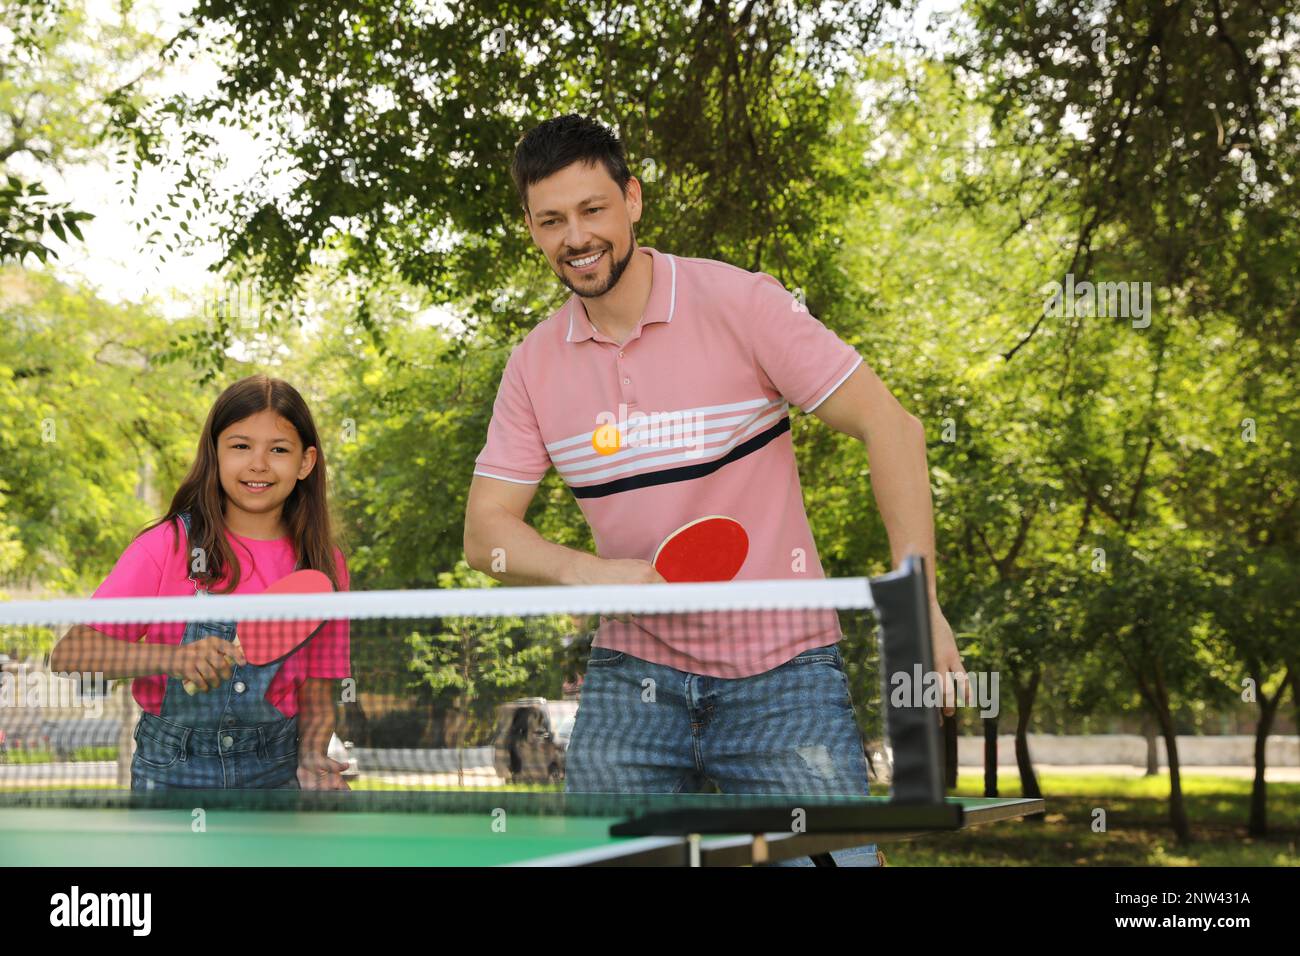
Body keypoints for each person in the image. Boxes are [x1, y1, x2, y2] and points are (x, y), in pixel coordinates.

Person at [464, 115, 965, 865]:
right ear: (532, 230)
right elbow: (486, 533)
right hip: (633, 676)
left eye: (593, 209)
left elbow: (893, 428)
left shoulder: (743, 303)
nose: (576, 236)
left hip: (786, 674)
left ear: (632, 200)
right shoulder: (534, 365)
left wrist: (918, 601)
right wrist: (590, 572)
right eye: (552, 220)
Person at [51, 374, 351, 791]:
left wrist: (314, 755)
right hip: (171, 773)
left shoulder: (324, 566)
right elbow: (70, 655)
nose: (258, 464)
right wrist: (171, 660)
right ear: (214, 453)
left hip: (276, 776)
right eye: (241, 446)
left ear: (305, 462)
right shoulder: (167, 546)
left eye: (278, 450)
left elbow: (318, 692)